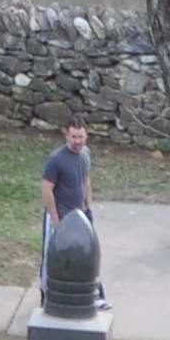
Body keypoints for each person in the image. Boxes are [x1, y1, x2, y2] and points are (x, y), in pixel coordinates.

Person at [39, 121, 103, 306]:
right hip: (60, 215)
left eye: (80, 136)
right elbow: (47, 190)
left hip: (80, 215)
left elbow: (86, 180)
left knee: (83, 256)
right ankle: (47, 295)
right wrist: (56, 219)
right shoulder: (56, 159)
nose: (77, 141)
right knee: (51, 256)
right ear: (66, 135)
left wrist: (87, 207)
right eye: (74, 136)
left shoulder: (86, 154)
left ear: (87, 135)